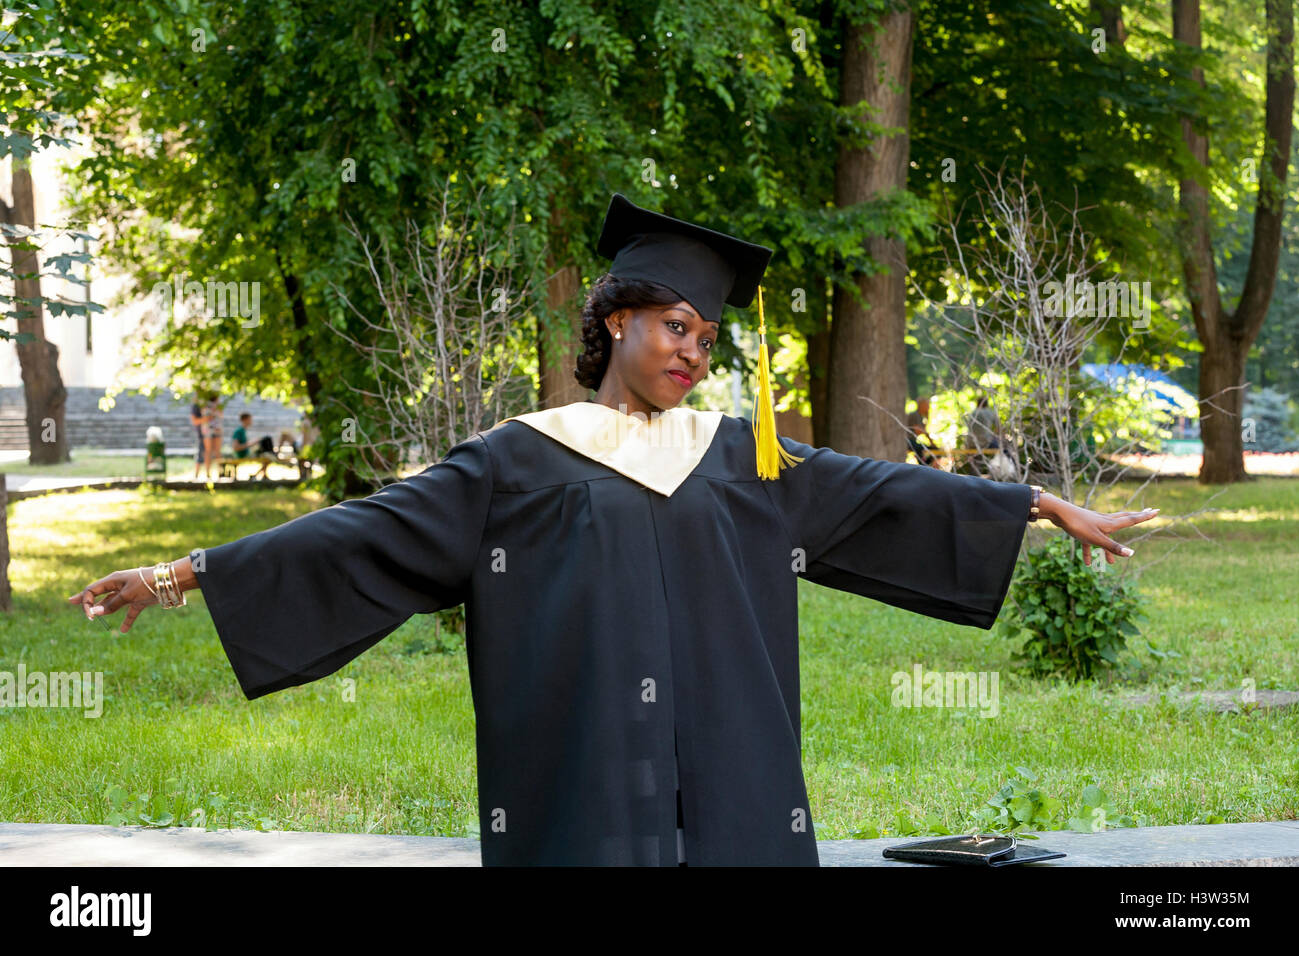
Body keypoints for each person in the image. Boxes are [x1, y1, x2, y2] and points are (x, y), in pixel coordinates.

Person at [67, 192, 1159, 867]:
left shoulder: (745, 458)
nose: (693, 348)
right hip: (579, 794)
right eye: (675, 325)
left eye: (707, 333)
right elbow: (366, 534)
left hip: (732, 801)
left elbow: (884, 496)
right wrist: (180, 569)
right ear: (614, 320)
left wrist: (1036, 506)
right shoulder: (519, 458)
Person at [231, 412, 276, 479]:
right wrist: (250, 444)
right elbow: (236, 448)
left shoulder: (243, 430)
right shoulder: (239, 431)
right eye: (250, 419)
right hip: (242, 455)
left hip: (247, 453)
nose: (251, 421)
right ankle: (256, 476)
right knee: (269, 456)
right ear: (245, 420)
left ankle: (257, 475)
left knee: (268, 452)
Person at [905, 396, 940, 468]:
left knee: (935, 451)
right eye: (927, 405)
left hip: (913, 441)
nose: (928, 407)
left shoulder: (921, 416)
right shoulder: (914, 414)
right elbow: (918, 431)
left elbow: (923, 431)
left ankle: (926, 466)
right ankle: (924, 466)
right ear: (921, 405)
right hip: (908, 441)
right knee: (921, 450)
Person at [201, 392, 224, 479]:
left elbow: (221, 415)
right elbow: (205, 415)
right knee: (208, 451)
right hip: (208, 429)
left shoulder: (218, 405)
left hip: (217, 428)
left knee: (217, 451)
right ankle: (207, 472)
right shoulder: (204, 404)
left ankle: (220, 471)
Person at [189, 393, 208, 478]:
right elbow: (194, 420)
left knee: (208, 453)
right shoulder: (196, 406)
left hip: (209, 433)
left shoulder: (208, 405)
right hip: (201, 433)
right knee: (200, 453)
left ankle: (208, 474)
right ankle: (196, 475)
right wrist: (206, 419)